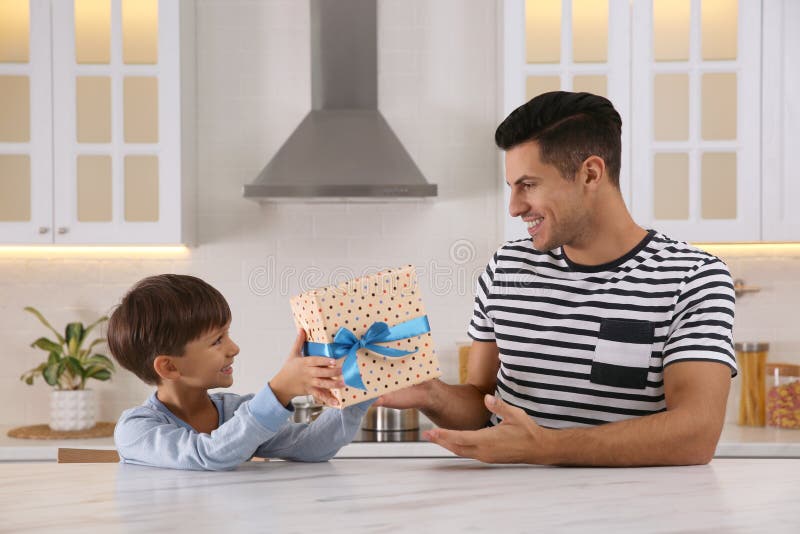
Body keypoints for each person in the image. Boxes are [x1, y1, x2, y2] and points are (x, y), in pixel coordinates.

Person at [377, 91, 736, 466]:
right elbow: (482, 403)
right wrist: (431, 393)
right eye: (511, 187)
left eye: (528, 185)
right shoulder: (506, 267)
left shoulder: (692, 278)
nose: (515, 207)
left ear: (590, 173)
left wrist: (544, 447)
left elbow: (696, 434)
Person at [107, 274, 371, 470]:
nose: (234, 348)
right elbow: (207, 454)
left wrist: (358, 390)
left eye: (227, 334)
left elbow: (312, 447)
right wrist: (279, 391)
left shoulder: (236, 411)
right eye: (217, 340)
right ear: (169, 366)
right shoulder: (136, 429)